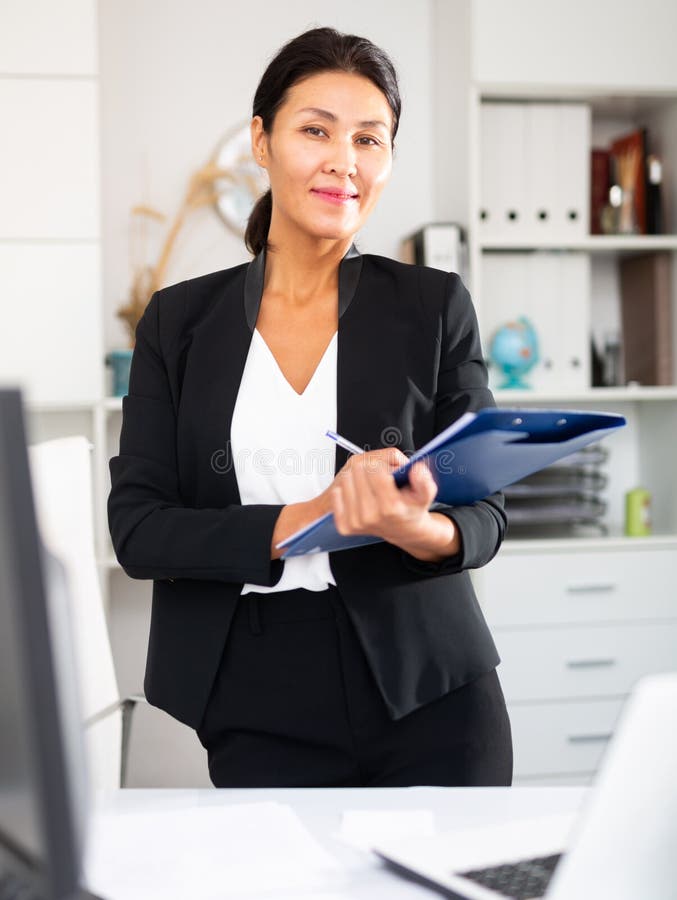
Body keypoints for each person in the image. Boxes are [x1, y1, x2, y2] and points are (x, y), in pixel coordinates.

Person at [107, 25, 513, 788]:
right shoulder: (176, 320)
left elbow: (485, 515)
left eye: (369, 138)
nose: (343, 160)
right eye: (315, 131)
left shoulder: (431, 305)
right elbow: (139, 530)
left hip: (429, 686)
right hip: (255, 686)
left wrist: (410, 525)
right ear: (261, 142)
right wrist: (316, 515)